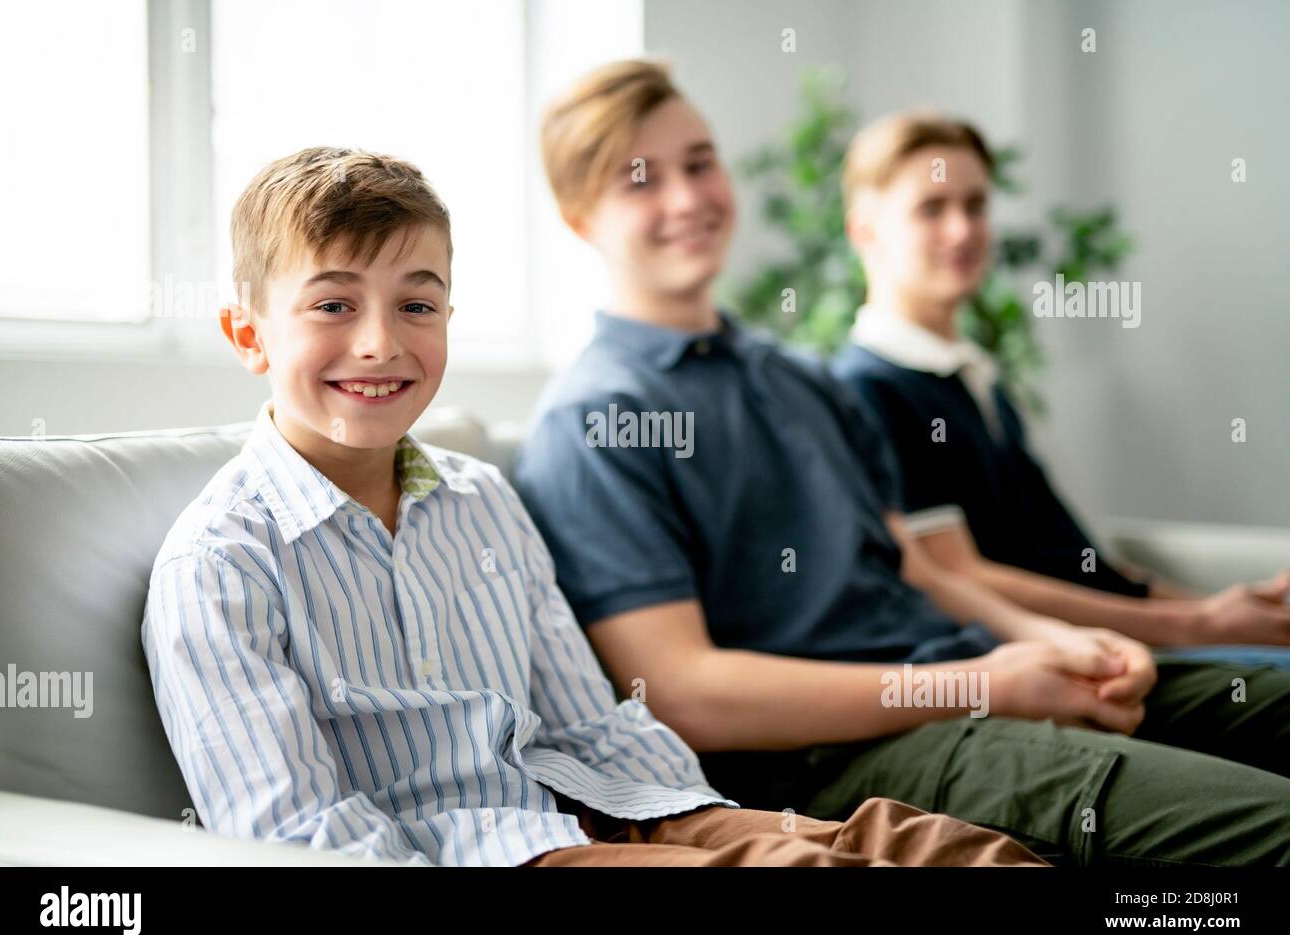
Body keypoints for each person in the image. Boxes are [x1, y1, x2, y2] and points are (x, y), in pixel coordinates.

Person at [139, 145, 1042, 868]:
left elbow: (591, 720)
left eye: (417, 304)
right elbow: (296, 839)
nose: (379, 343)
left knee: (916, 843)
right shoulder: (221, 566)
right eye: (333, 304)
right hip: (485, 857)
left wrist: (732, 823)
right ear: (249, 335)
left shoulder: (483, 499)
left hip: (615, 814)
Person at [513, 58, 1290, 865]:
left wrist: (1056, 640)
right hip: (844, 757)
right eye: (640, 181)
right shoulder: (596, 422)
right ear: (579, 219)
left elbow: (917, 567)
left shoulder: (802, 378)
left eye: (700, 163)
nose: (686, 199)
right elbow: (683, 692)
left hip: (973, 682)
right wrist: (983, 683)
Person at [830, 111, 1290, 668]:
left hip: (1132, 640)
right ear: (865, 232)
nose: (963, 230)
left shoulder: (975, 378)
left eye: (975, 205)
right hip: (1072, 662)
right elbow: (958, 578)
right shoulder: (869, 390)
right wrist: (1197, 624)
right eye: (932, 209)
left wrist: (1230, 612)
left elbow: (1066, 556)